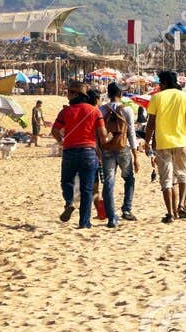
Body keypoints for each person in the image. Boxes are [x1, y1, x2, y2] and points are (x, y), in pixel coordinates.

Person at [145, 69, 186, 224]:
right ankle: (181, 204)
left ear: (165, 83)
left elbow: (150, 123)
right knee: (183, 174)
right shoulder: (184, 97)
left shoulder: (156, 98)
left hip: (163, 143)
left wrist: (148, 142)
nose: (159, 86)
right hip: (181, 142)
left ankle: (170, 213)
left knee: (166, 180)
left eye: (160, 83)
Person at [53, 79, 105, 229]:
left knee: (66, 182)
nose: (67, 95)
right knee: (87, 189)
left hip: (70, 151)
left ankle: (70, 202)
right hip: (89, 152)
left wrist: (61, 141)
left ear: (76, 94)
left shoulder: (65, 111)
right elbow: (102, 134)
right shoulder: (95, 111)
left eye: (69, 92)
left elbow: (54, 130)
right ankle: (84, 223)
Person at [99, 81, 138, 226]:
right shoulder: (126, 110)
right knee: (129, 178)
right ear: (120, 94)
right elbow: (131, 134)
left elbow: (99, 134)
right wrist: (135, 156)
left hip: (107, 149)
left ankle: (111, 217)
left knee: (109, 181)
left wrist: (99, 150)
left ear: (108, 94)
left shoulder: (102, 110)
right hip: (123, 149)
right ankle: (126, 209)